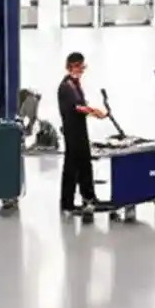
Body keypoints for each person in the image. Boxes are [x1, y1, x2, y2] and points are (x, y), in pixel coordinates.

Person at [58, 52, 107, 213]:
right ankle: (68, 203)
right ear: (69, 67)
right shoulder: (66, 86)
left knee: (85, 164)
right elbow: (77, 107)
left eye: (82, 66)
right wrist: (95, 112)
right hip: (72, 132)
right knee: (72, 167)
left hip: (80, 130)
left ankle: (89, 197)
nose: (80, 69)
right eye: (77, 66)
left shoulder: (76, 85)